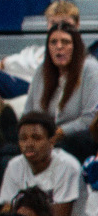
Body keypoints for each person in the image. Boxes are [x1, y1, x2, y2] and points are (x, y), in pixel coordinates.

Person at [29, 29, 98, 159]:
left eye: (65, 42)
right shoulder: (42, 71)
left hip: (76, 139)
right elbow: (28, 113)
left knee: (70, 144)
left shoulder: (90, 69)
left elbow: (91, 118)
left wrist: (60, 132)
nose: (59, 47)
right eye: (53, 42)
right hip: (43, 137)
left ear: (76, 47)